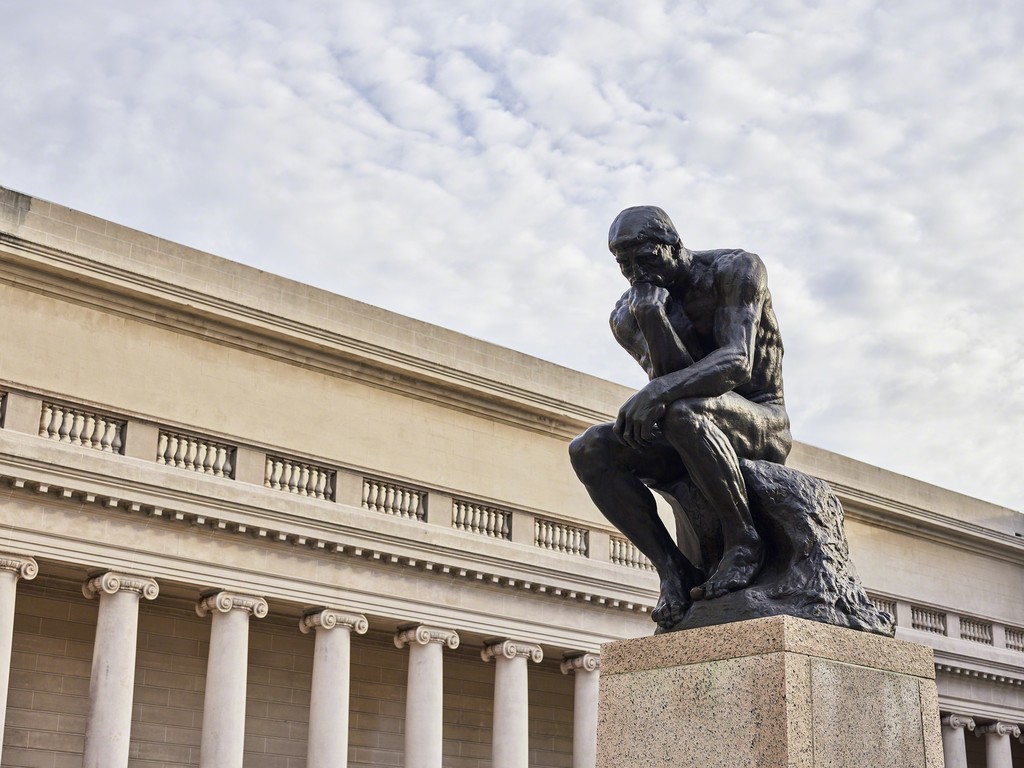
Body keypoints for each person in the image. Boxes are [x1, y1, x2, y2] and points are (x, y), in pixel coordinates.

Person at [569, 206, 793, 630]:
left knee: (681, 409)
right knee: (590, 448)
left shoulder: (735, 269)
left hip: (761, 419)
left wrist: (657, 391)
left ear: (674, 245)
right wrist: (653, 318)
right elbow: (672, 378)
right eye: (624, 264)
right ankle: (673, 571)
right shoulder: (628, 313)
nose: (637, 272)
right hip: (688, 422)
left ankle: (744, 542)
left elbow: (735, 362)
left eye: (647, 257)